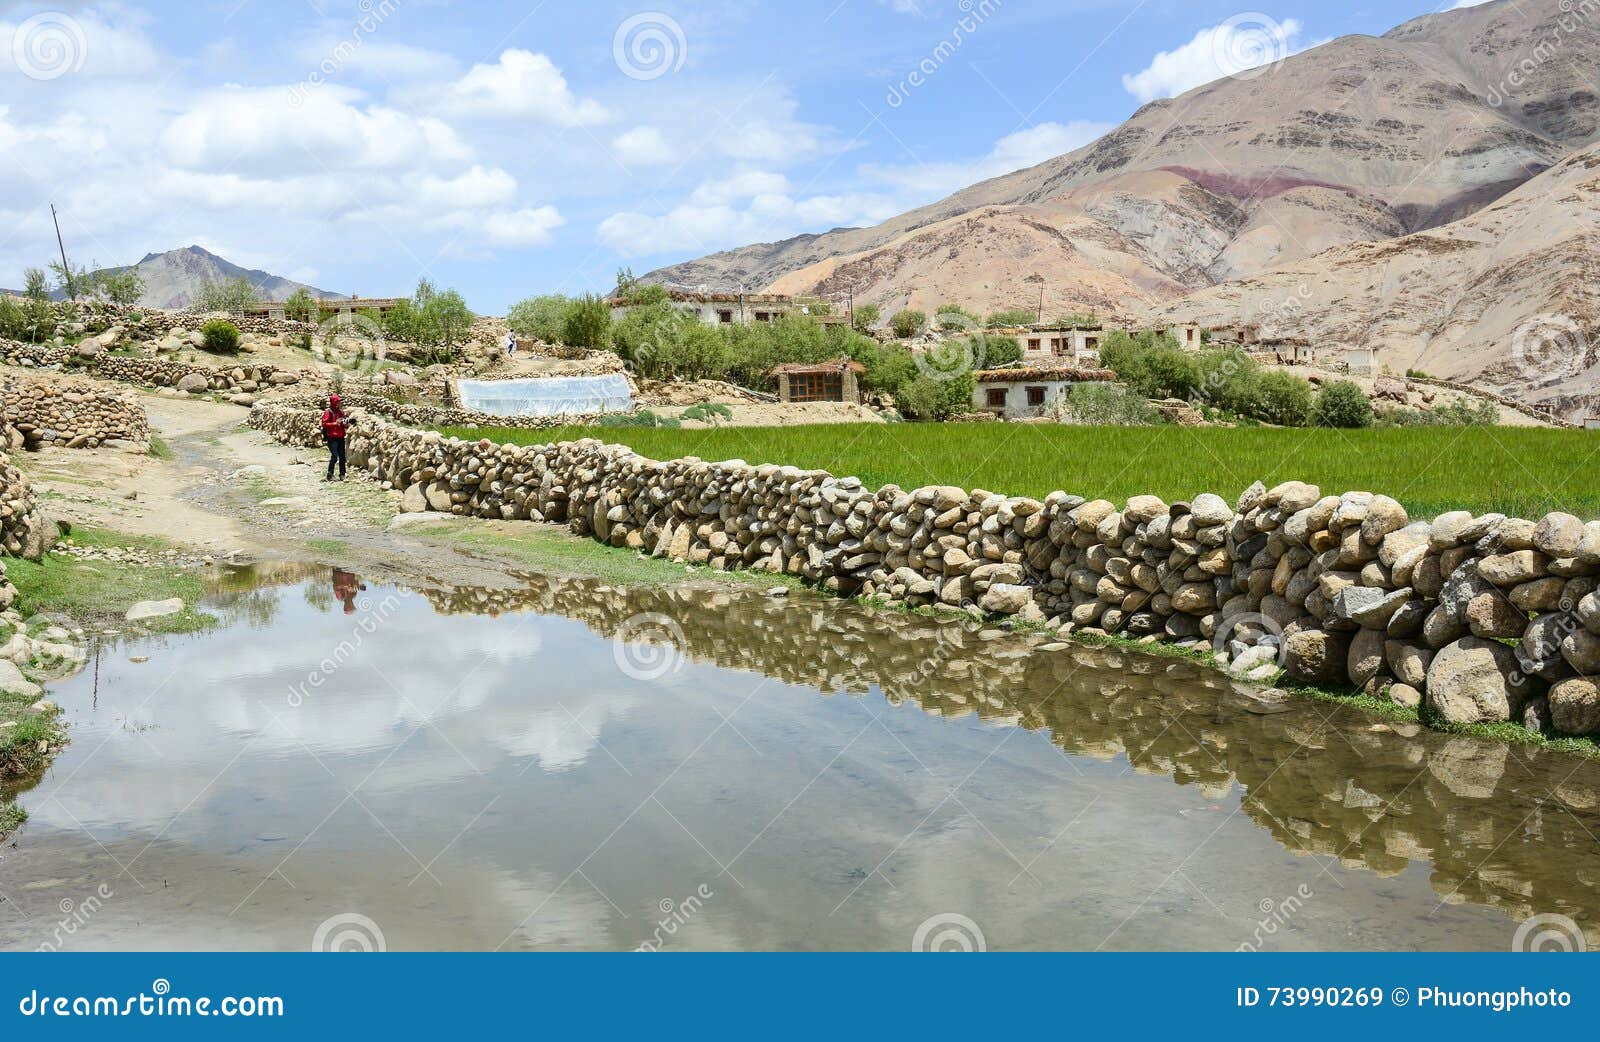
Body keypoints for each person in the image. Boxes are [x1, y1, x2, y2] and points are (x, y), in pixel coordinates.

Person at [320, 393, 349, 481]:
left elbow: (344, 422)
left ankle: (342, 474)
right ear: (334, 402)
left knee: (342, 456)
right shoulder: (328, 412)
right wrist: (334, 424)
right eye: (339, 402)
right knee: (334, 456)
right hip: (332, 437)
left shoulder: (340, 412)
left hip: (340, 436)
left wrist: (345, 423)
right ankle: (330, 474)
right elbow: (324, 424)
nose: (340, 403)